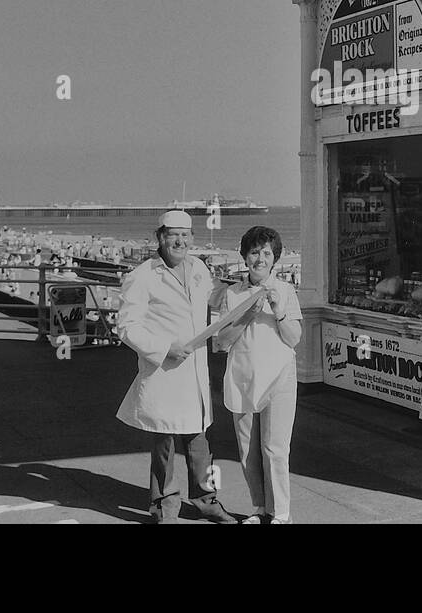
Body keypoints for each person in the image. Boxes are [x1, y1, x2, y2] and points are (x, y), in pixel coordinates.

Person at [114, 210, 235, 524]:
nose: (180, 241)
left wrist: (245, 288)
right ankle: (165, 507)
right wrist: (166, 349)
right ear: (160, 237)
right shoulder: (142, 276)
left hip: (195, 374)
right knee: (164, 443)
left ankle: (208, 501)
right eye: (173, 235)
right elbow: (127, 327)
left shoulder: (198, 267)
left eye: (185, 235)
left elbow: (212, 299)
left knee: (202, 445)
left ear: (192, 238)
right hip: (165, 372)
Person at [211, 225, 303, 524]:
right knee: (248, 451)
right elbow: (221, 342)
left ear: (275, 257)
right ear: (245, 256)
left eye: (266, 253)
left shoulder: (285, 290)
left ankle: (282, 513)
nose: (260, 259)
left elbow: (294, 338)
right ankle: (260, 509)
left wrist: (278, 310)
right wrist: (248, 315)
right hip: (243, 377)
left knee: (274, 449)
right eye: (254, 253)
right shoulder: (232, 294)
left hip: (279, 378)